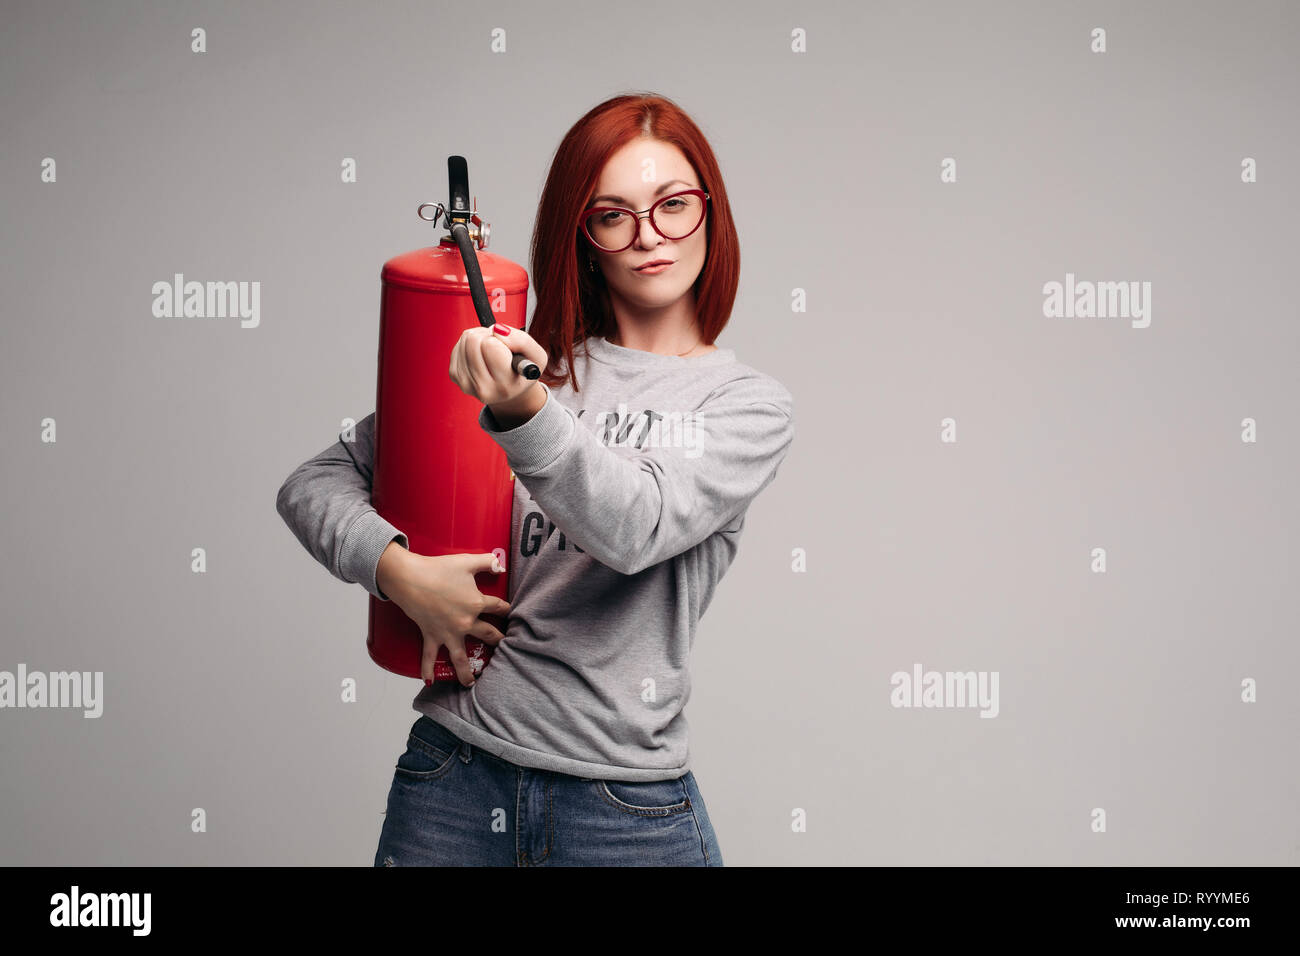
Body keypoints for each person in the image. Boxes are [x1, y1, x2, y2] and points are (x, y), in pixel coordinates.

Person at [275, 92, 795, 866]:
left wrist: (523, 410)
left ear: (710, 213)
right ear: (584, 237)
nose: (650, 236)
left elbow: (635, 527)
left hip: (622, 809)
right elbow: (311, 484)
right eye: (614, 214)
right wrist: (400, 574)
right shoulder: (528, 363)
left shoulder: (743, 405)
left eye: (673, 204)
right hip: (452, 775)